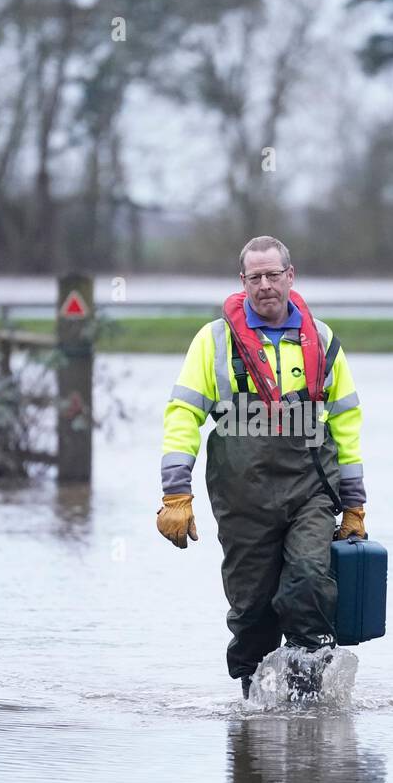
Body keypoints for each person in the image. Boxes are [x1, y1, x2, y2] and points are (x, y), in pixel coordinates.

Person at [156, 236, 367, 699]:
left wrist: (355, 506)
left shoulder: (324, 341)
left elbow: (347, 425)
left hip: (310, 492)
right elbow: (183, 414)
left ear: (291, 276)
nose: (266, 285)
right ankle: (254, 710)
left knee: (310, 582)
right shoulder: (212, 341)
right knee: (251, 610)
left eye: (274, 275)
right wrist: (176, 492)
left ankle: (311, 701)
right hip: (242, 500)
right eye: (257, 277)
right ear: (243, 282)